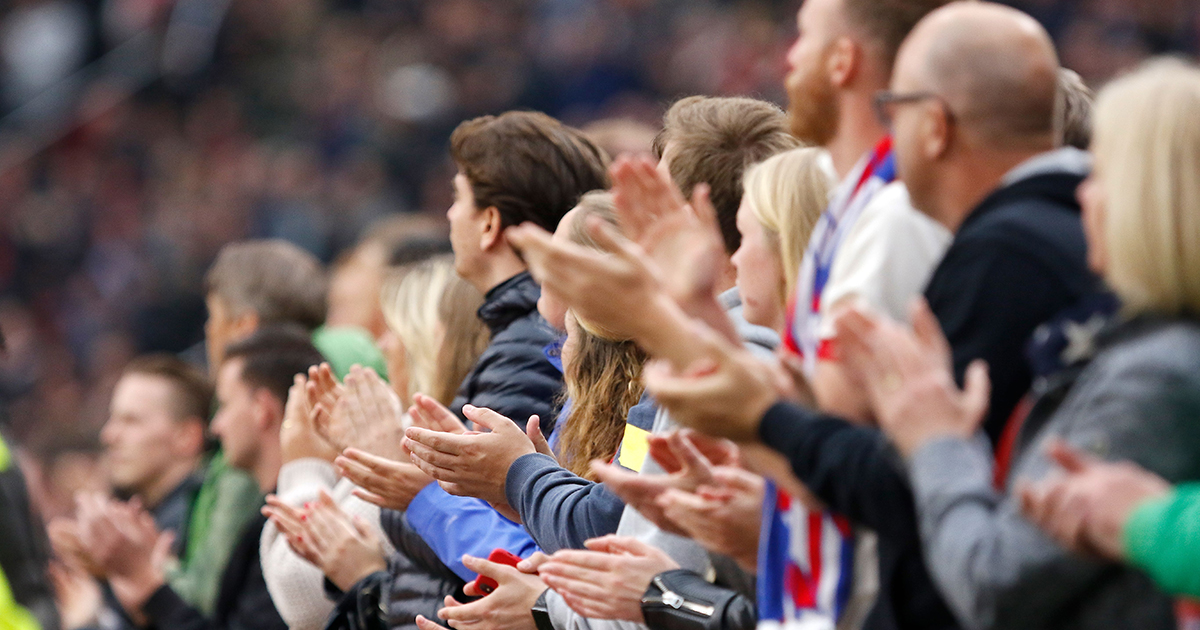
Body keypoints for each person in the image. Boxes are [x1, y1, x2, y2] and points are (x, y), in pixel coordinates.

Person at [260, 254, 487, 630]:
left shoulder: (418, 442)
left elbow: (301, 591)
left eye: (392, 329)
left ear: (430, 340)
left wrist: (304, 466)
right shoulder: (411, 433)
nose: (381, 345)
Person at [73, 326, 325, 630]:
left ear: (262, 409)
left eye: (225, 405)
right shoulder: (253, 519)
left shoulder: (289, 524)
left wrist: (145, 587)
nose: (216, 427)